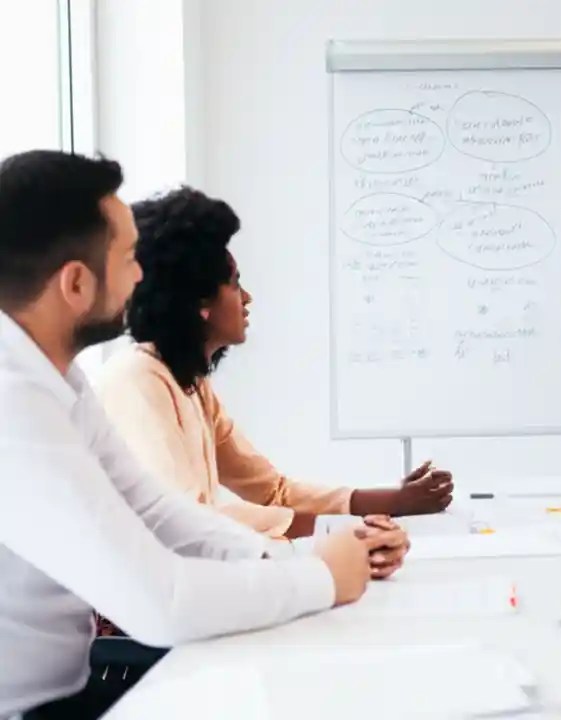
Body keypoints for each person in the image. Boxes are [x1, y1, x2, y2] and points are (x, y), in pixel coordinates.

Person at [0, 150, 390, 719]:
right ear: (76, 284)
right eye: (130, 257)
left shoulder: (59, 379)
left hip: (69, 690)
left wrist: (297, 557)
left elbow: (155, 512)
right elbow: (162, 603)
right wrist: (322, 577)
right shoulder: (13, 406)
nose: (141, 274)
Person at [94, 187, 454, 540]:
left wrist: (397, 502)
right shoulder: (137, 380)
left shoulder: (190, 384)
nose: (247, 298)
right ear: (199, 301)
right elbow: (186, 521)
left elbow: (273, 491)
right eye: (235, 284)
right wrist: (349, 532)